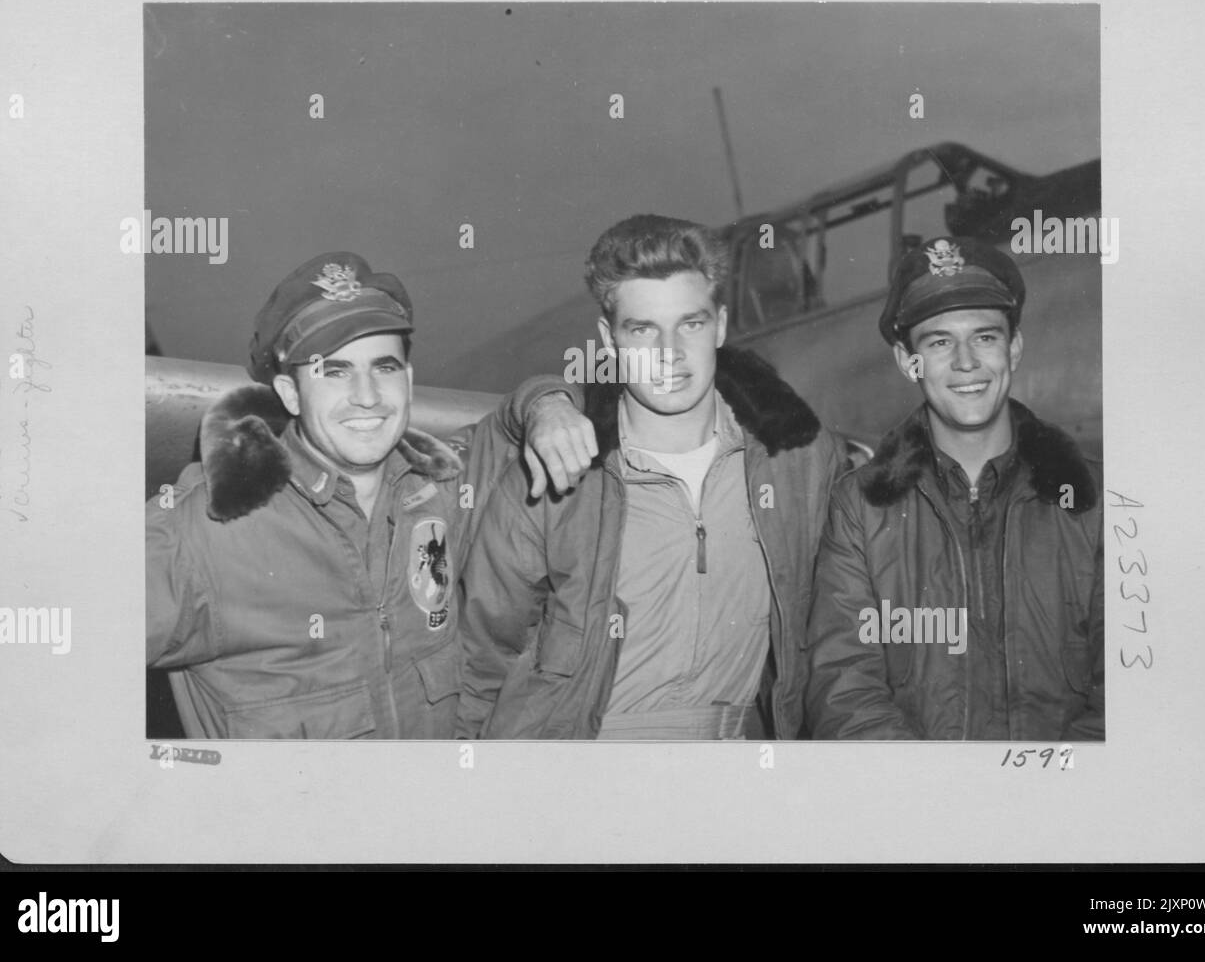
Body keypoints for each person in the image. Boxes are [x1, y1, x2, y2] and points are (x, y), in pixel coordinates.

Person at [147, 251, 595, 739]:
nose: (366, 395)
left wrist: (549, 403)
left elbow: (509, 425)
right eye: (334, 371)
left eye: (383, 368)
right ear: (290, 393)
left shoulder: (440, 485)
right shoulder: (204, 532)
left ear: (406, 379)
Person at [457, 215, 848, 740]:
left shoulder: (800, 463)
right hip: (581, 774)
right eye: (643, 329)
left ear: (722, 326)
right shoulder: (555, 476)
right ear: (608, 338)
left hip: (735, 773)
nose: (670, 353)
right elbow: (482, 660)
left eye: (691, 324)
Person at [806, 235, 1104, 740]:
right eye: (939, 342)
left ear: (1014, 347)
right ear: (907, 361)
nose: (966, 362)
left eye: (985, 337)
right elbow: (844, 687)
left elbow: (1133, 680)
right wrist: (937, 795)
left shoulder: (1096, 499)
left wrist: (1050, 791)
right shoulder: (860, 507)